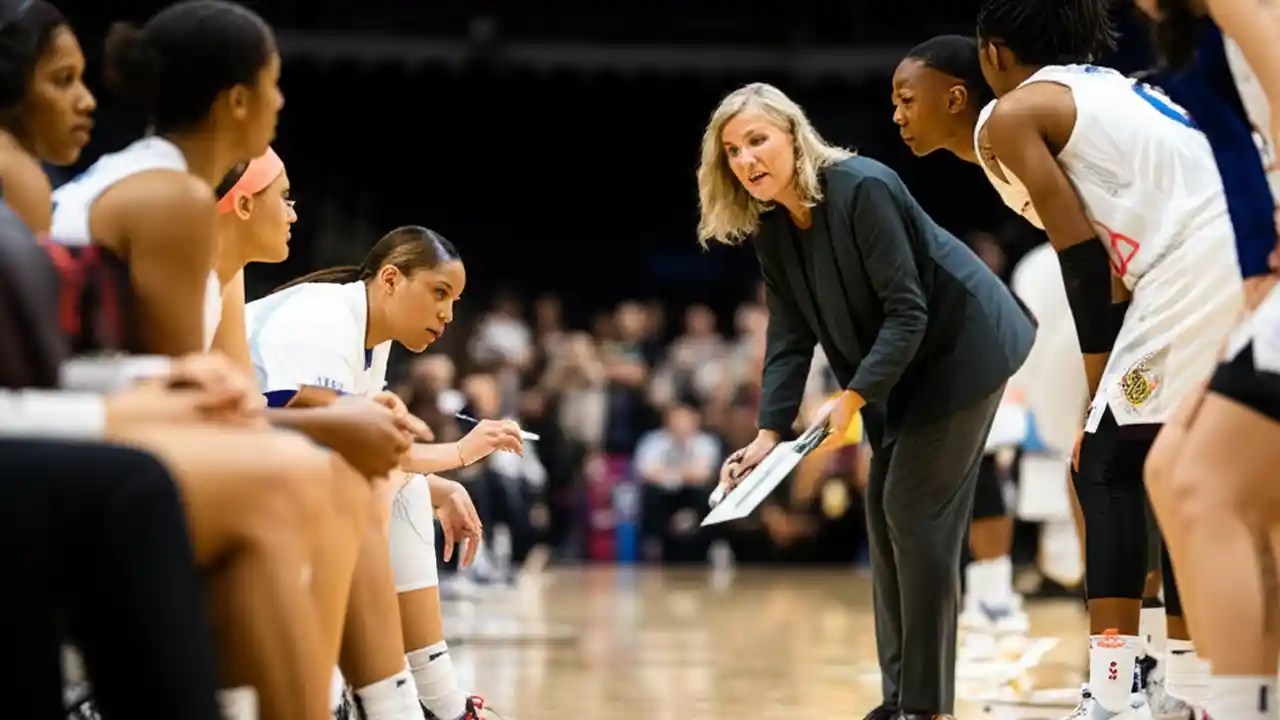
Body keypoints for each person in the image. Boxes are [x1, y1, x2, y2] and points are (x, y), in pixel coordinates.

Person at [48, 3, 372, 717]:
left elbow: (210, 397)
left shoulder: (170, 189)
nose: (281, 103)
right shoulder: (171, 200)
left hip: (99, 428)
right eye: (275, 84)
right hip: (74, 440)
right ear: (237, 99)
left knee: (336, 478)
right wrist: (326, 430)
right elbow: (185, 408)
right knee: (302, 484)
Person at [698, 81, 1036, 719]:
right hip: (900, 369)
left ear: (794, 136)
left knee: (912, 513)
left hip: (963, 352)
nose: (746, 159)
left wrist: (850, 399)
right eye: (734, 151)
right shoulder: (773, 227)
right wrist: (768, 433)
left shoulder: (864, 188)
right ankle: (900, 698)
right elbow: (790, 338)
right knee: (885, 519)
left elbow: (908, 313)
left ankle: (927, 705)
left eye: (758, 140)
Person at [975, 1, 1245, 718]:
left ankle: (1116, 693)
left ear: (993, 53)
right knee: (1174, 471)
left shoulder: (1010, 116)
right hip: (1237, 252)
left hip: (1194, 265)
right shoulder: (1117, 88)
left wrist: (1101, 388)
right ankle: (1189, 688)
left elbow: (1083, 260)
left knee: (1105, 462)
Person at [246, 227, 521, 720]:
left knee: (406, 489)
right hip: (231, 472)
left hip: (270, 464)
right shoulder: (324, 316)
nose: (448, 313)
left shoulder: (371, 336)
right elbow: (348, 441)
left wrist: (437, 481)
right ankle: (388, 702)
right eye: (439, 293)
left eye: (455, 300)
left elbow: (359, 443)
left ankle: (434, 701)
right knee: (387, 486)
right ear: (391, 279)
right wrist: (457, 454)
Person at [890, 35, 1035, 641]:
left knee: (1102, 468)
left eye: (904, 99)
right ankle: (991, 593)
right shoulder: (991, 154)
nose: (895, 116)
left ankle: (997, 594)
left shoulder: (1018, 130)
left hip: (1020, 339)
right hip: (1006, 342)